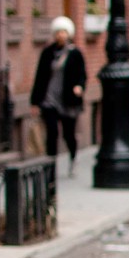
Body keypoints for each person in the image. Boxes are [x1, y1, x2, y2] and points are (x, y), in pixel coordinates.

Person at [30, 17, 86, 177]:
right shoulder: (47, 53)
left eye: (63, 32)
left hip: (68, 100)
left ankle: (73, 157)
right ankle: (51, 167)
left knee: (68, 134)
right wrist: (35, 101)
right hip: (49, 99)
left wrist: (79, 87)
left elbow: (82, 75)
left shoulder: (75, 53)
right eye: (58, 32)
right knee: (52, 133)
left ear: (68, 34)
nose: (60, 35)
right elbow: (39, 77)